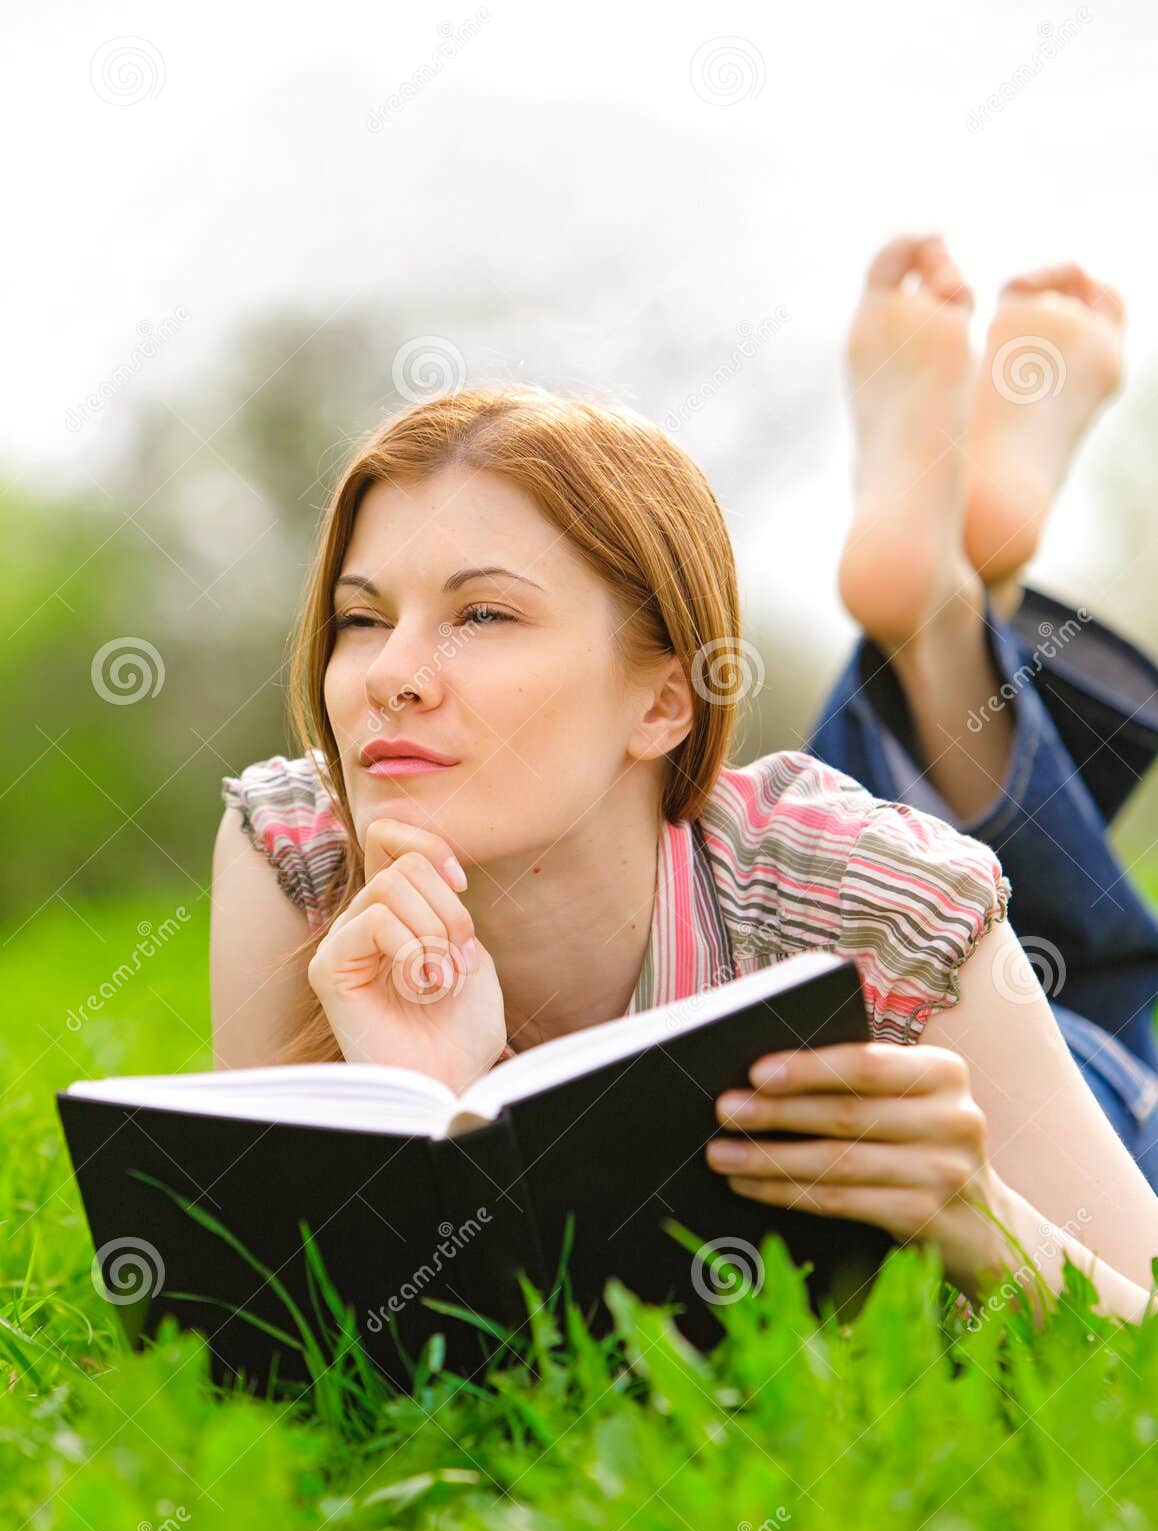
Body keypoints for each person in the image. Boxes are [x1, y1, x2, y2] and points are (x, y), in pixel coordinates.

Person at [211, 236, 1158, 1327]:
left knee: (1033, 963)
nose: (387, 677)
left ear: (667, 699)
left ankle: (948, 613)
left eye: (482, 614)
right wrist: (434, 1111)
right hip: (761, 871)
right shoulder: (298, 854)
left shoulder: (883, 895)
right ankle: (949, 603)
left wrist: (982, 1213)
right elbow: (285, 1327)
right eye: (361, 618)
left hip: (1032, 1058)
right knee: (804, 875)